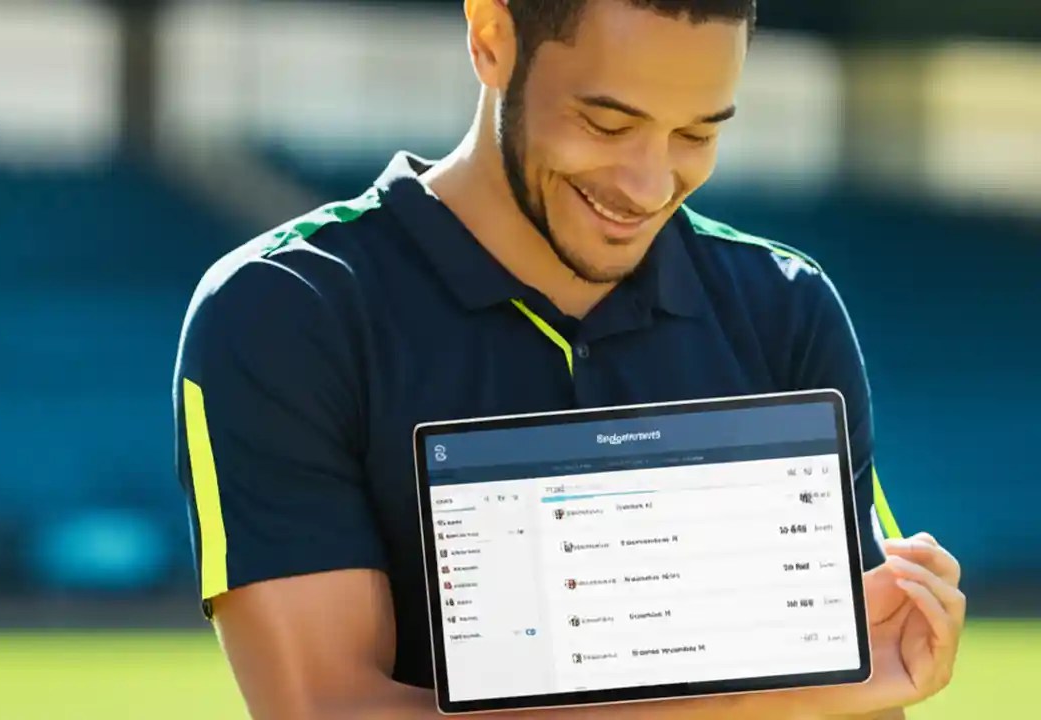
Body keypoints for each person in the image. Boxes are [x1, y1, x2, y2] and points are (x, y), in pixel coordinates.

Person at [172, 1, 966, 717]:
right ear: (491, 39)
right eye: (608, 124)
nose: (650, 183)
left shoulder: (784, 307)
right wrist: (757, 709)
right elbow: (326, 709)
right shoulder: (282, 308)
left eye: (698, 133)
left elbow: (855, 695)